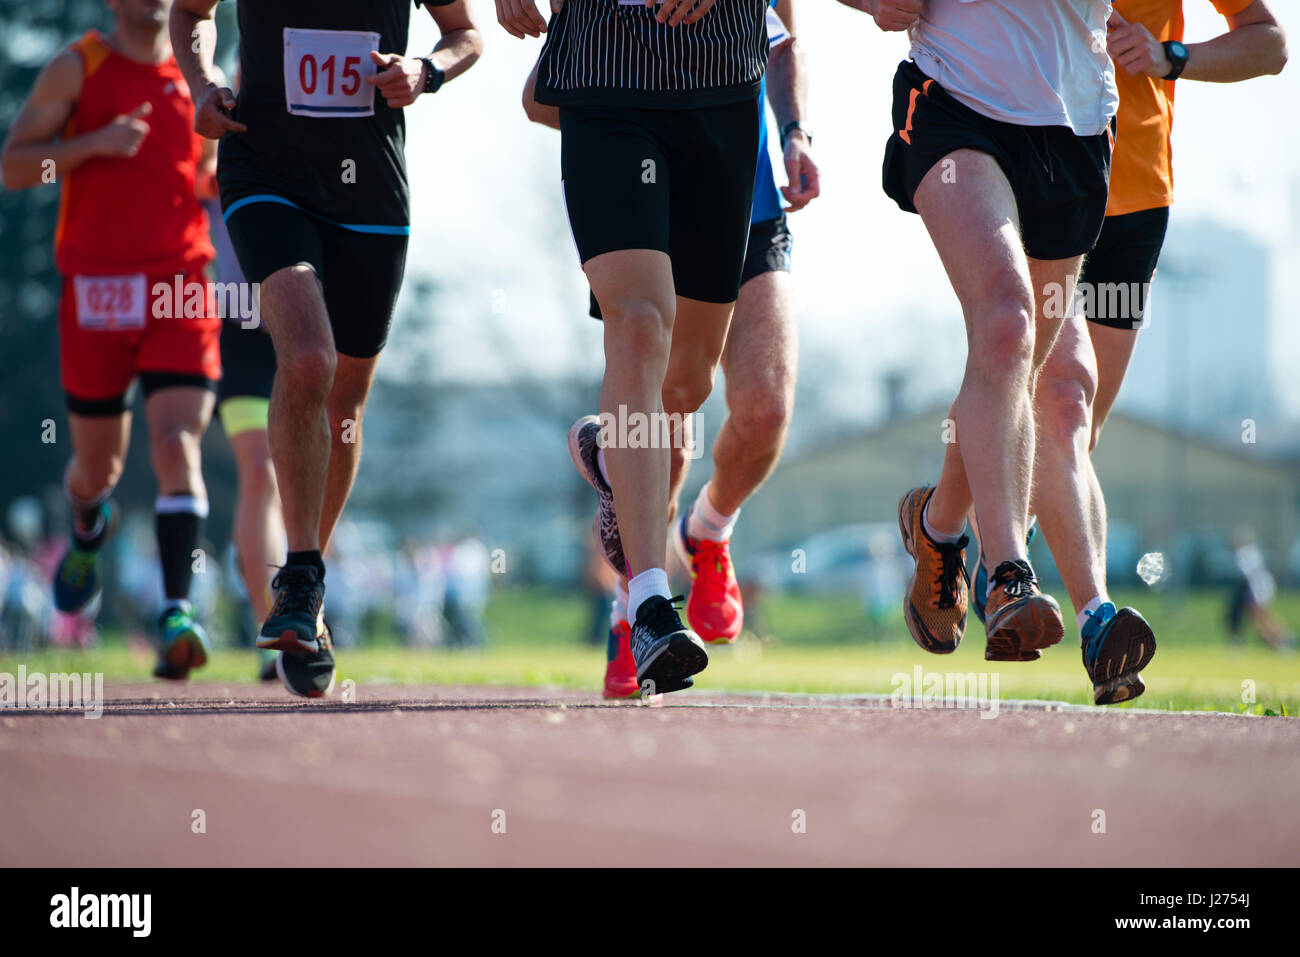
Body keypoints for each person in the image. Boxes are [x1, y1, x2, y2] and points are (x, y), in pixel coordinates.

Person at [964, 2, 1285, 703]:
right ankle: (1096, 625)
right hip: (1034, 167)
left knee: (1079, 429)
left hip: (1133, 199)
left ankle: (947, 521)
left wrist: (1173, 58)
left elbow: (1271, 45)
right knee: (1060, 396)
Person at [171, 0, 482, 696]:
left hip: (370, 195)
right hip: (265, 172)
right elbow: (190, 12)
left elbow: (467, 33)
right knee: (310, 358)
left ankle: (306, 589)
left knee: (346, 400)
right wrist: (201, 83)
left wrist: (426, 70)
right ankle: (303, 573)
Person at [521, 0, 818, 697]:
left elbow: (785, 41)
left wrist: (797, 132)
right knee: (644, 349)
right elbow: (538, 98)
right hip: (625, 126)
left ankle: (698, 523)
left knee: (714, 398)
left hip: (737, 171)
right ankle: (643, 605)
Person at [845, 1, 1122, 680]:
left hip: (1075, 120)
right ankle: (1008, 574)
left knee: (1012, 374)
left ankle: (937, 524)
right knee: (1007, 324)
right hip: (953, 97)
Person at [2, 0, 220, 680]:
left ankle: (177, 613)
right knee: (99, 470)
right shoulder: (78, 68)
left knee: (178, 442)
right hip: (96, 290)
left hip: (180, 287)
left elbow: (210, 176)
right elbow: (15, 169)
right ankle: (88, 525)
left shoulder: (204, 76)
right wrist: (87, 146)